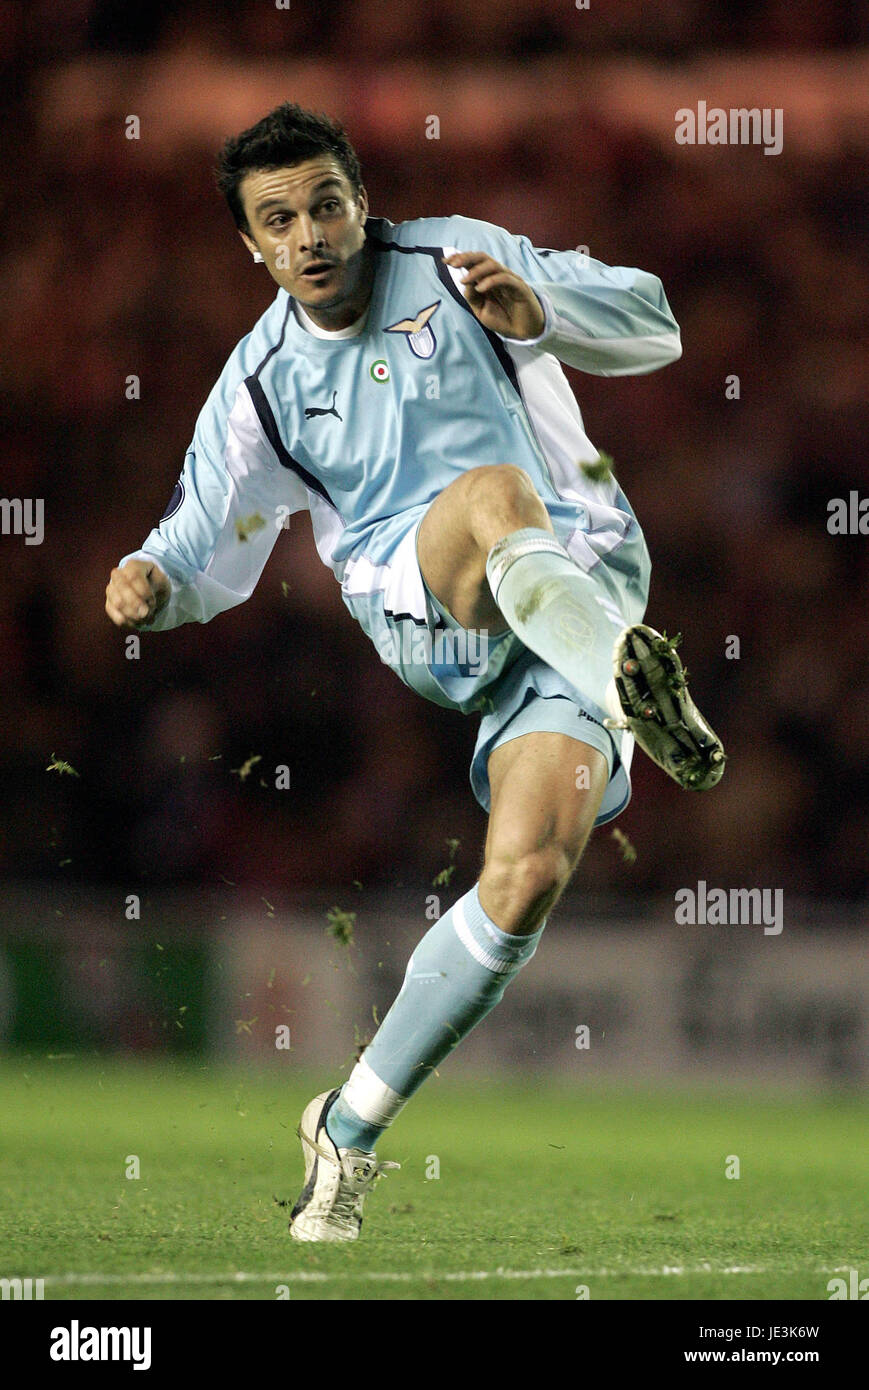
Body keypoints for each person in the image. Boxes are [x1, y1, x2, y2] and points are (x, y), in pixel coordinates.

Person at [105, 102, 724, 1243]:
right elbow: (207, 543)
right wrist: (152, 578)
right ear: (251, 245)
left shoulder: (454, 256)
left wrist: (544, 309)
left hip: (578, 588)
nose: (310, 235)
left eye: (326, 205)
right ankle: (629, 676)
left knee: (525, 873)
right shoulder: (261, 383)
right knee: (492, 493)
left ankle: (345, 1127)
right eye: (278, 219)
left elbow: (653, 322)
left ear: (360, 200)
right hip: (427, 611)